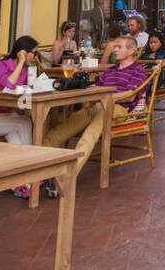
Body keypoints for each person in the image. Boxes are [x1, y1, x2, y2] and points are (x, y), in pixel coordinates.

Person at [41, 36, 153, 175]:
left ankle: (66, 177)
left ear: (131, 51)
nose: (114, 50)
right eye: (115, 46)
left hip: (118, 109)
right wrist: (79, 80)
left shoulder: (138, 70)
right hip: (97, 106)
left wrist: (103, 96)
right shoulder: (111, 70)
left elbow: (129, 95)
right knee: (58, 132)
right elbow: (96, 86)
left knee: (89, 135)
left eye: (119, 47)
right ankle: (39, 173)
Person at [0, 35, 58, 199]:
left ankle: (20, 182)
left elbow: (23, 94)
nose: (35, 57)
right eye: (34, 53)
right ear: (22, 52)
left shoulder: (26, 70)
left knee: (17, 142)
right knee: (24, 123)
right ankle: (33, 171)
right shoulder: (1, 66)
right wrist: (21, 62)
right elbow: (8, 85)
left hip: (9, 118)